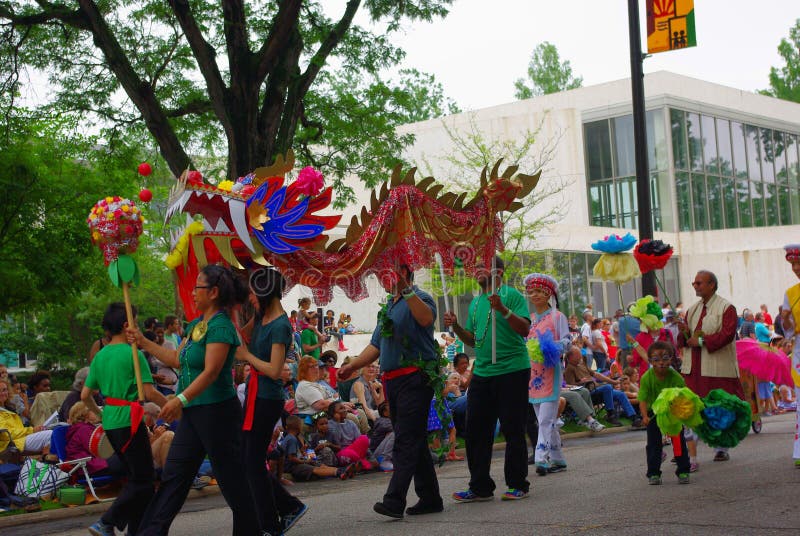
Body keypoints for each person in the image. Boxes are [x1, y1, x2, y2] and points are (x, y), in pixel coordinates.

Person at [130, 265, 260, 535]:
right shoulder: (196, 326)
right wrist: (142, 341)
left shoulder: (222, 327)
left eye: (197, 287)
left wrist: (179, 398)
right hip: (194, 412)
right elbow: (176, 359)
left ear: (213, 292)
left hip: (218, 414)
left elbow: (211, 371)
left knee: (232, 482)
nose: (192, 292)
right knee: (174, 476)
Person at [338, 263, 443, 518]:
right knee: (414, 438)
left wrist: (406, 289)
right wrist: (352, 365)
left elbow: (426, 319)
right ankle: (430, 498)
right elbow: (376, 346)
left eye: (385, 273)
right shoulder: (388, 308)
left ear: (403, 273)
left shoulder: (421, 297)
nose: (380, 278)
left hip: (416, 378)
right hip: (393, 381)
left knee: (405, 438)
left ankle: (394, 500)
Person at [445, 256, 531, 502]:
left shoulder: (512, 295)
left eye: (483, 266)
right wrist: (456, 326)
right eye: (476, 266)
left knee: (513, 428)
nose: (477, 270)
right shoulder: (476, 303)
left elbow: (525, 329)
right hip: (482, 372)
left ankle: (518, 484)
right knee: (476, 430)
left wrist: (503, 309)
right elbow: (473, 340)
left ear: (498, 272)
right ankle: (480, 486)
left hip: (512, 369)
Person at [81, 302, 168, 536]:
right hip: (129, 420)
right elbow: (149, 392)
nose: (137, 327)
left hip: (111, 421)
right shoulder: (134, 354)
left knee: (139, 481)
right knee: (144, 479)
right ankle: (106, 522)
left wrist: (101, 414)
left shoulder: (100, 356)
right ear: (126, 324)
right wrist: (172, 405)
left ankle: (136, 531)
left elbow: (85, 395)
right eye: (135, 322)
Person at [234, 267, 307, 535]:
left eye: (254, 294)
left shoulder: (281, 326)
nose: (251, 298)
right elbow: (241, 336)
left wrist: (246, 356)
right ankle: (286, 507)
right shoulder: (261, 316)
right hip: (256, 394)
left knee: (252, 462)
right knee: (248, 461)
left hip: (267, 398)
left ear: (266, 293)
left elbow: (275, 370)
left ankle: (271, 522)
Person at [677, 270, 743, 462]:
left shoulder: (726, 308)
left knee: (719, 408)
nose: (695, 286)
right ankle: (690, 449)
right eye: (694, 283)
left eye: (699, 283)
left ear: (711, 284)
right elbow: (684, 340)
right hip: (694, 368)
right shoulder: (692, 310)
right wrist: (683, 332)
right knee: (692, 407)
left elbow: (727, 335)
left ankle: (722, 447)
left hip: (717, 368)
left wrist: (701, 341)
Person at [522, 273, 572, 476]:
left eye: (539, 292)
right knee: (545, 419)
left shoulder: (557, 317)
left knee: (544, 419)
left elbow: (567, 342)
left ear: (548, 294)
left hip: (551, 373)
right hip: (533, 375)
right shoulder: (531, 319)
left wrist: (549, 347)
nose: (534, 295)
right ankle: (558, 459)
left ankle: (541, 458)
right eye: (531, 292)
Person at [638, 341, 691, 485]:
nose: (661, 363)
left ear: (671, 359)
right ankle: (654, 473)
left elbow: (683, 397)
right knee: (654, 443)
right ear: (650, 361)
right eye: (656, 359)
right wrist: (645, 416)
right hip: (653, 412)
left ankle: (683, 470)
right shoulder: (646, 378)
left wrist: (682, 415)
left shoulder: (676, 378)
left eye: (665, 358)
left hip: (672, 411)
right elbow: (642, 399)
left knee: (678, 442)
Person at [564, 346, 644, 428]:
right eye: (578, 355)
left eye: (580, 354)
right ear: (571, 357)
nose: (580, 356)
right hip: (588, 393)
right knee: (607, 387)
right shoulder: (569, 369)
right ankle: (611, 415)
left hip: (598, 389)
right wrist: (581, 382)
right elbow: (571, 386)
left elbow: (596, 374)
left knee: (621, 394)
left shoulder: (582, 364)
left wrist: (613, 381)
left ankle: (634, 418)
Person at [779, 244, 800, 467]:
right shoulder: (791, 293)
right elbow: (789, 331)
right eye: (793, 264)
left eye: (798, 263)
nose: (795, 268)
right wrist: (785, 319)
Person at [0, 378, 52, 455]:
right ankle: (48, 459)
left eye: (4, 390)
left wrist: (34, 430)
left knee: (56, 431)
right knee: (50, 435)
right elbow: (6, 435)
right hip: (11, 443)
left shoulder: (9, 408)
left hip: (20, 439)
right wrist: (31, 430)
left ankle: (49, 459)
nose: (2, 393)